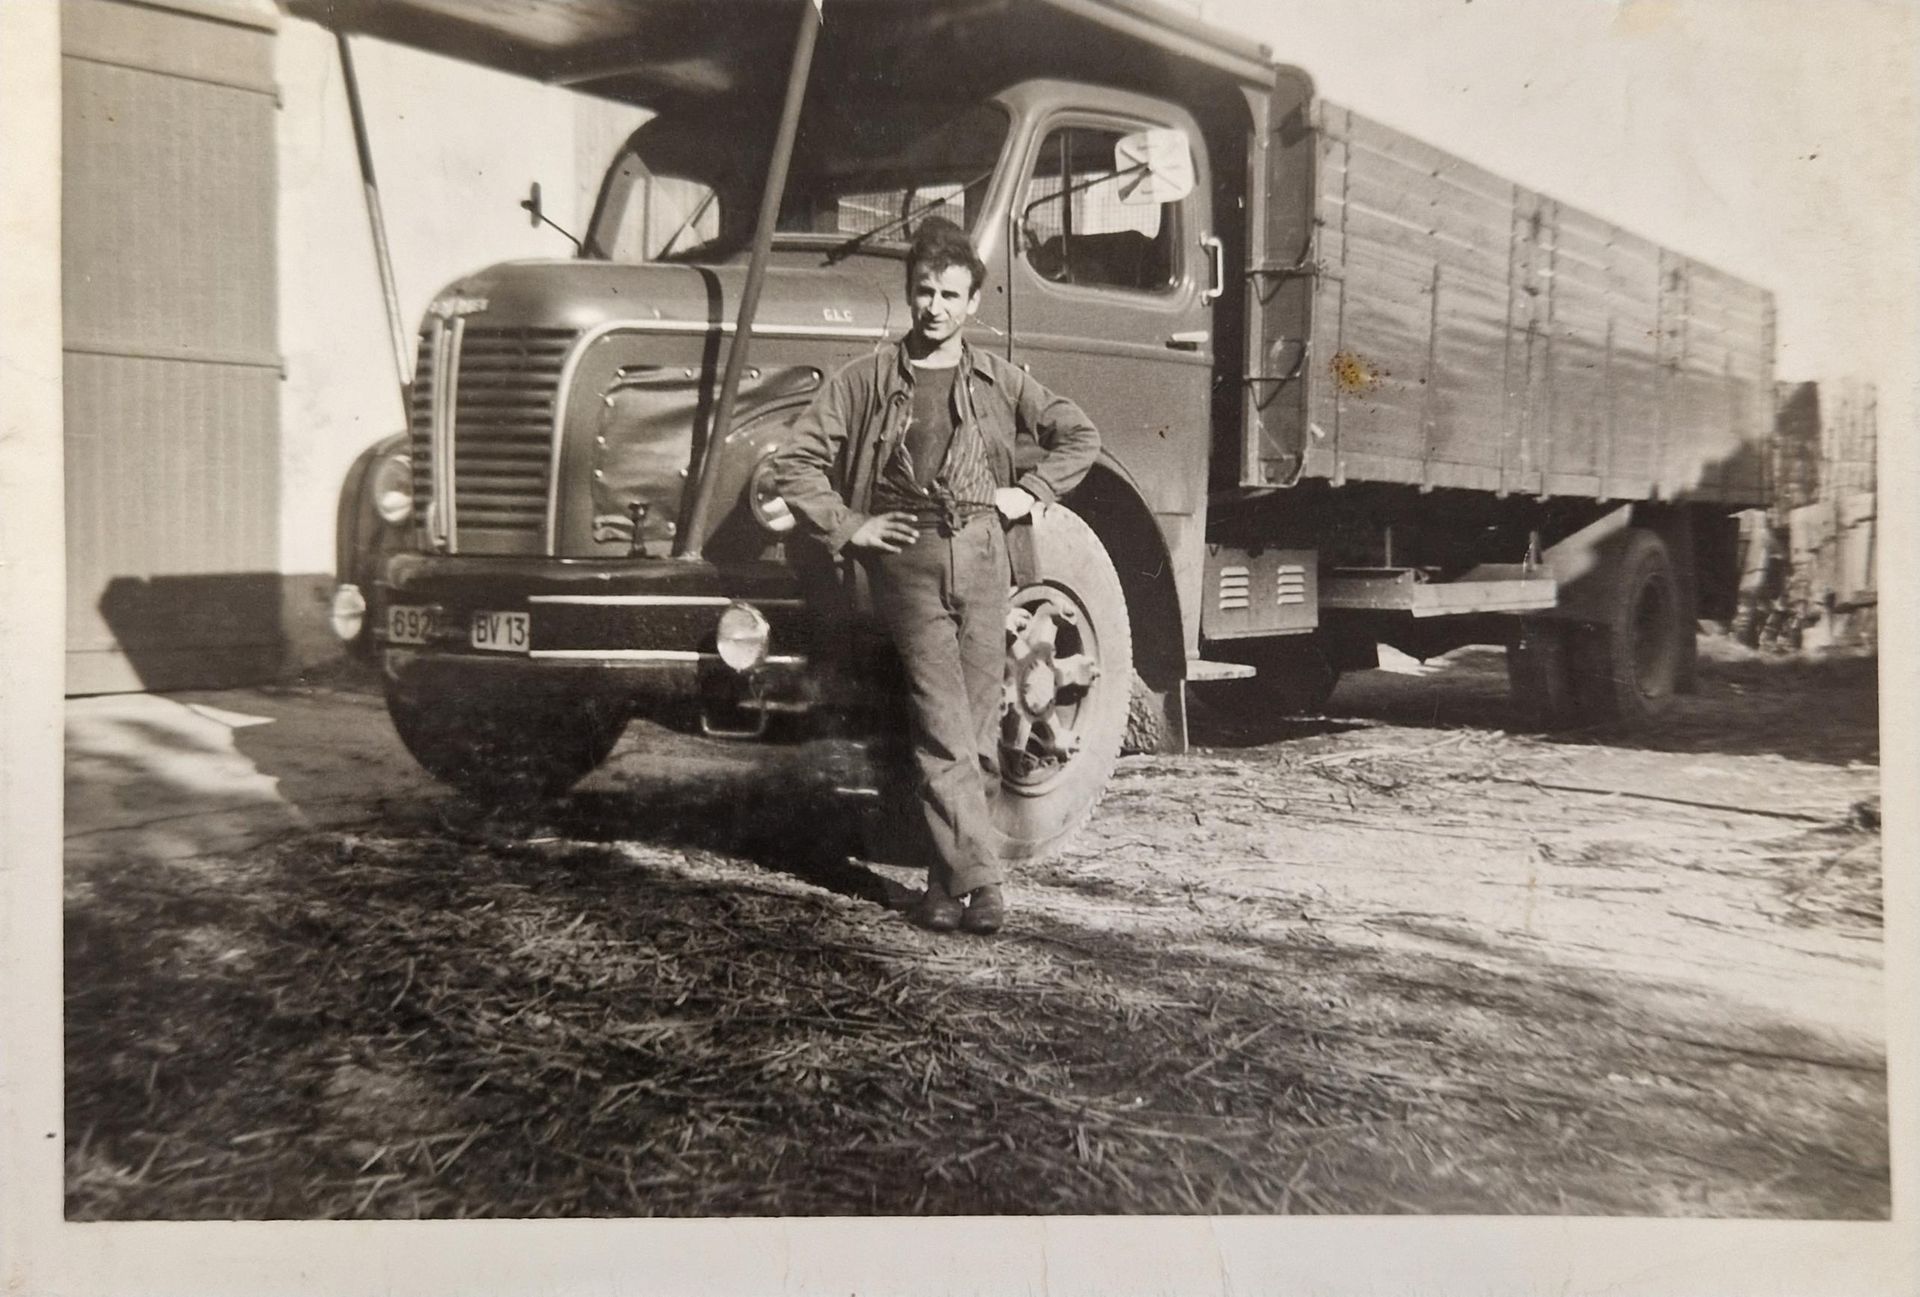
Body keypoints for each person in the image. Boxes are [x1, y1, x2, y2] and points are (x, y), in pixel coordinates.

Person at [772, 218, 1100, 934]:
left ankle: (944, 891)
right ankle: (987, 884)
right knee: (942, 721)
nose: (935, 308)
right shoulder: (867, 379)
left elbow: (1081, 435)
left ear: (973, 302)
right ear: (909, 293)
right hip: (908, 562)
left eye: (951, 295)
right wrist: (850, 525)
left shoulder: (1000, 379)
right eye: (925, 291)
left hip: (984, 556)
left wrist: (1032, 492)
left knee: (980, 730)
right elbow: (794, 463)